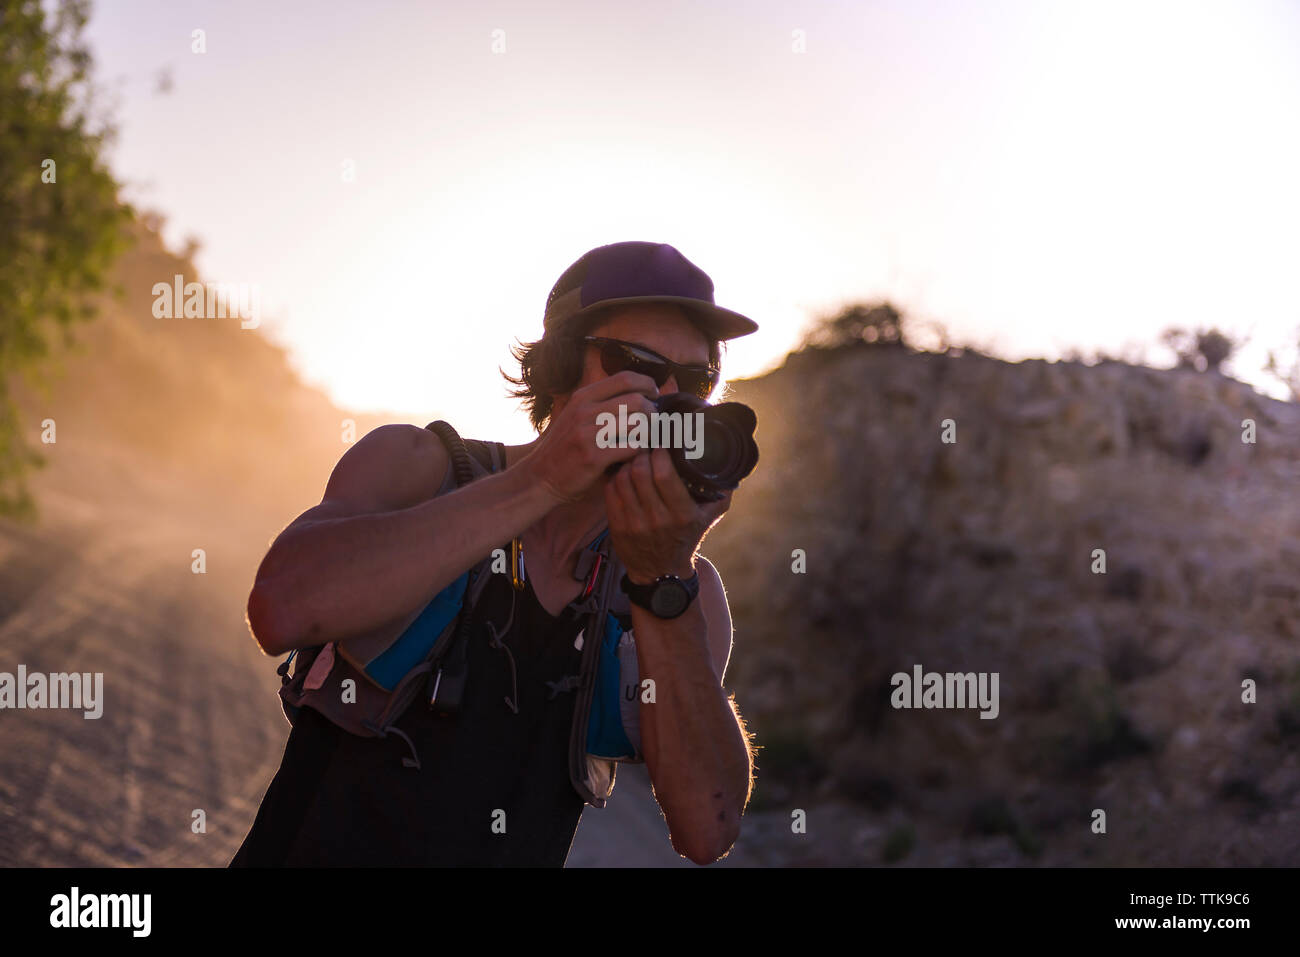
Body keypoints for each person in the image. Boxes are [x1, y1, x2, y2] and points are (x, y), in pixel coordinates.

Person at [230, 241, 758, 866]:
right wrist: (539, 484)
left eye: (696, 381)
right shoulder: (419, 468)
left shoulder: (680, 591)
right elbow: (280, 609)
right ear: (560, 365)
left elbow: (707, 830)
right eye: (638, 364)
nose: (669, 397)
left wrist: (661, 577)